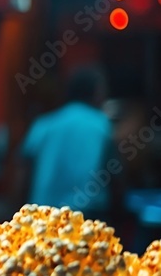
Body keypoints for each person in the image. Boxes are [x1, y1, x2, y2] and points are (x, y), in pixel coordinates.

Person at [19, 66, 114, 217]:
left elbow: (23, 175)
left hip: (42, 217)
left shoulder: (43, 125)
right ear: (96, 92)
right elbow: (114, 173)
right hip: (86, 217)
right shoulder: (101, 124)